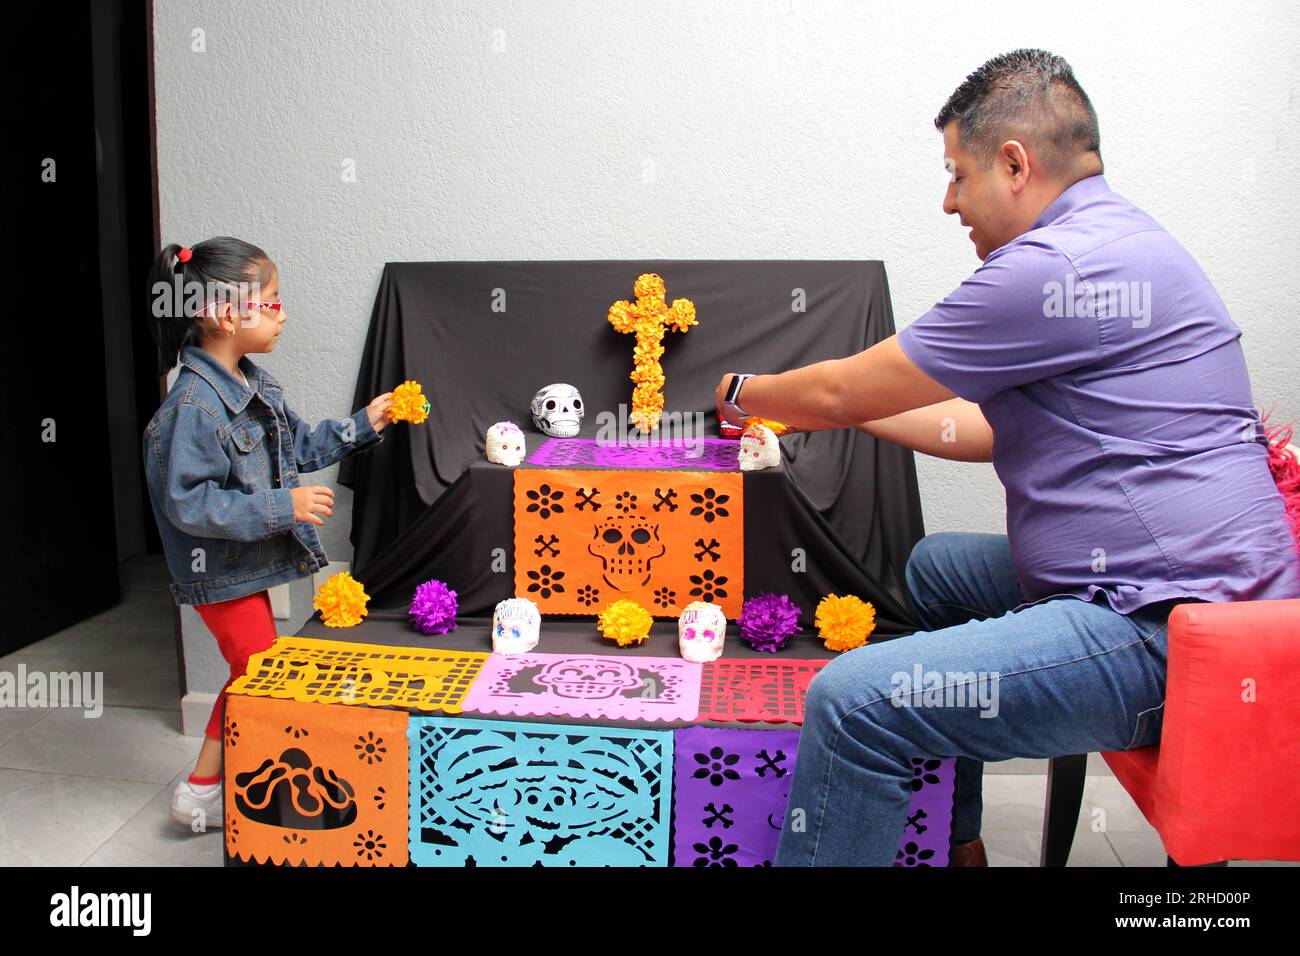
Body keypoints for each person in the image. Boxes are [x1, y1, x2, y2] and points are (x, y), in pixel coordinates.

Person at [715, 49, 1300, 866]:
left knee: (852, 705)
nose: (949, 201)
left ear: (1015, 164)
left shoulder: (1054, 270)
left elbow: (845, 389)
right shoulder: (1120, 240)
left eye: (957, 174)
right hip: (1195, 595)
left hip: (1172, 634)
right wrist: (859, 422)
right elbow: (981, 429)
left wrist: (744, 392)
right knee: (936, 570)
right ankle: (963, 840)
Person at [142, 237, 396, 829]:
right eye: (273, 302)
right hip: (218, 571)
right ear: (226, 314)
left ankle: (205, 785)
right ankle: (214, 787)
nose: (283, 314)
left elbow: (300, 447)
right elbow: (191, 503)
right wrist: (285, 506)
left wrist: (364, 424)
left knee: (252, 672)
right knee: (258, 673)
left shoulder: (261, 386)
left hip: (248, 564)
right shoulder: (193, 408)